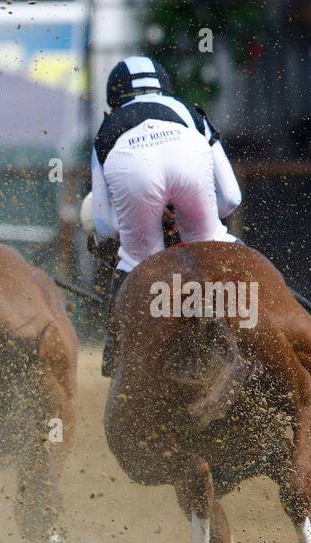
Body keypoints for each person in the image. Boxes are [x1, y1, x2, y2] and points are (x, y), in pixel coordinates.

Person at [90, 55, 242, 376]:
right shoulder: (191, 113)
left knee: (137, 259)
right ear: (166, 92)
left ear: (112, 106)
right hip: (189, 153)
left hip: (133, 173)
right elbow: (230, 199)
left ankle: (114, 350)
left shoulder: (106, 131)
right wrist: (191, 224)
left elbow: (103, 225)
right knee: (212, 241)